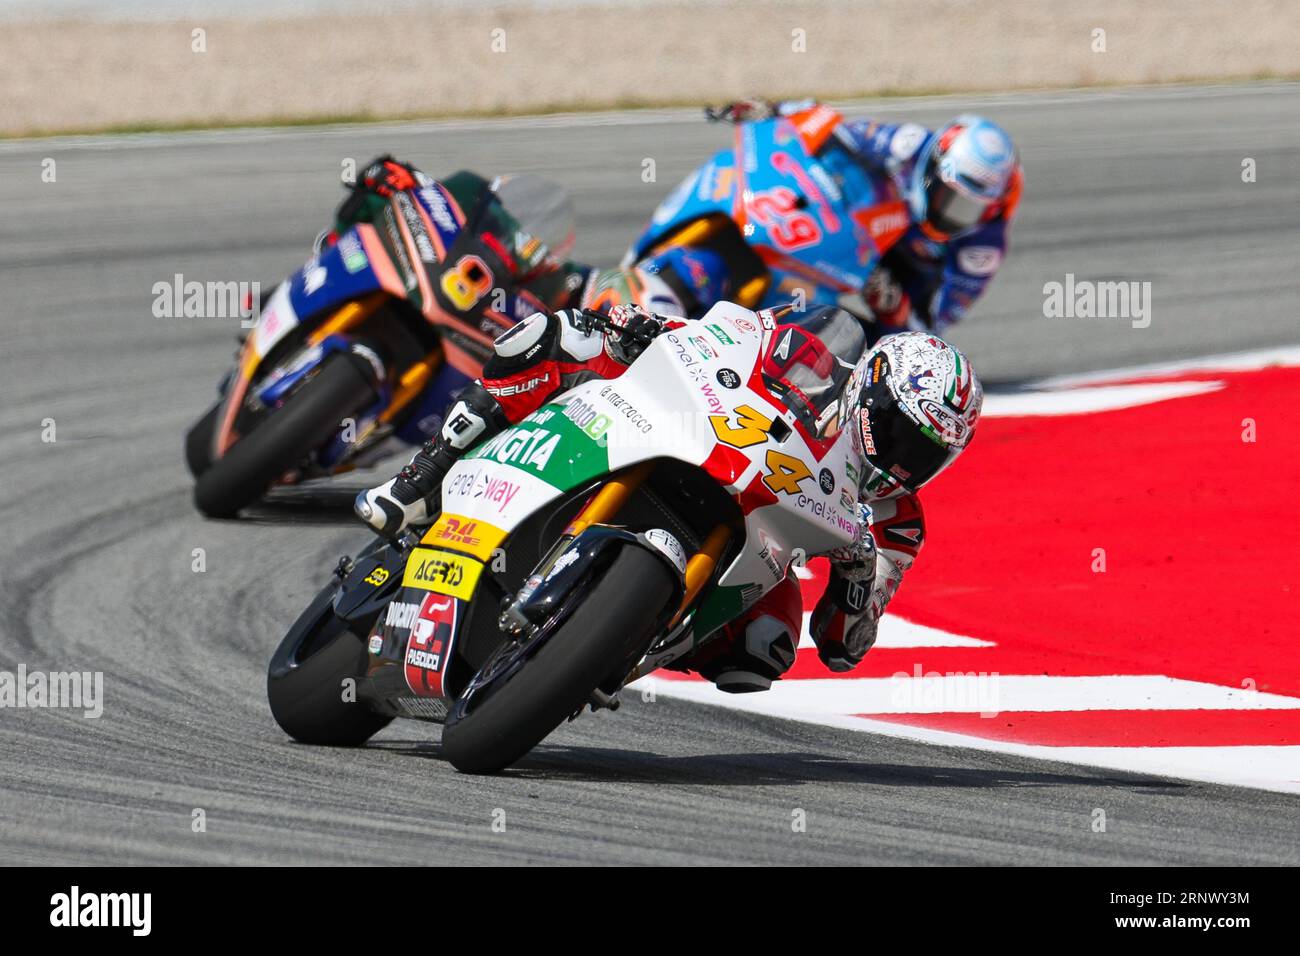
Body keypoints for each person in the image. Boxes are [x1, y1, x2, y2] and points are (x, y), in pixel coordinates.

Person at [355, 301, 983, 689]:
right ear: (870, 392)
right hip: (697, 439)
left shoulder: (897, 526)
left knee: (766, 651)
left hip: (757, 538)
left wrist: (856, 578)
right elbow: (728, 333)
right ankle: (421, 480)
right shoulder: (811, 354)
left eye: (928, 454)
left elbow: (844, 645)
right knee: (551, 336)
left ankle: (606, 644)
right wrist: (640, 328)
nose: (906, 461)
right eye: (901, 433)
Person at [708, 99, 1023, 333]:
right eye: (951, 197)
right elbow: (840, 132)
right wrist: (778, 113)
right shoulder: (909, 144)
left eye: (971, 207)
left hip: (900, 278)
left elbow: (934, 325)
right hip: (850, 228)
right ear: (934, 171)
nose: (955, 215)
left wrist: (895, 306)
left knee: (895, 354)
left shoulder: (982, 247)